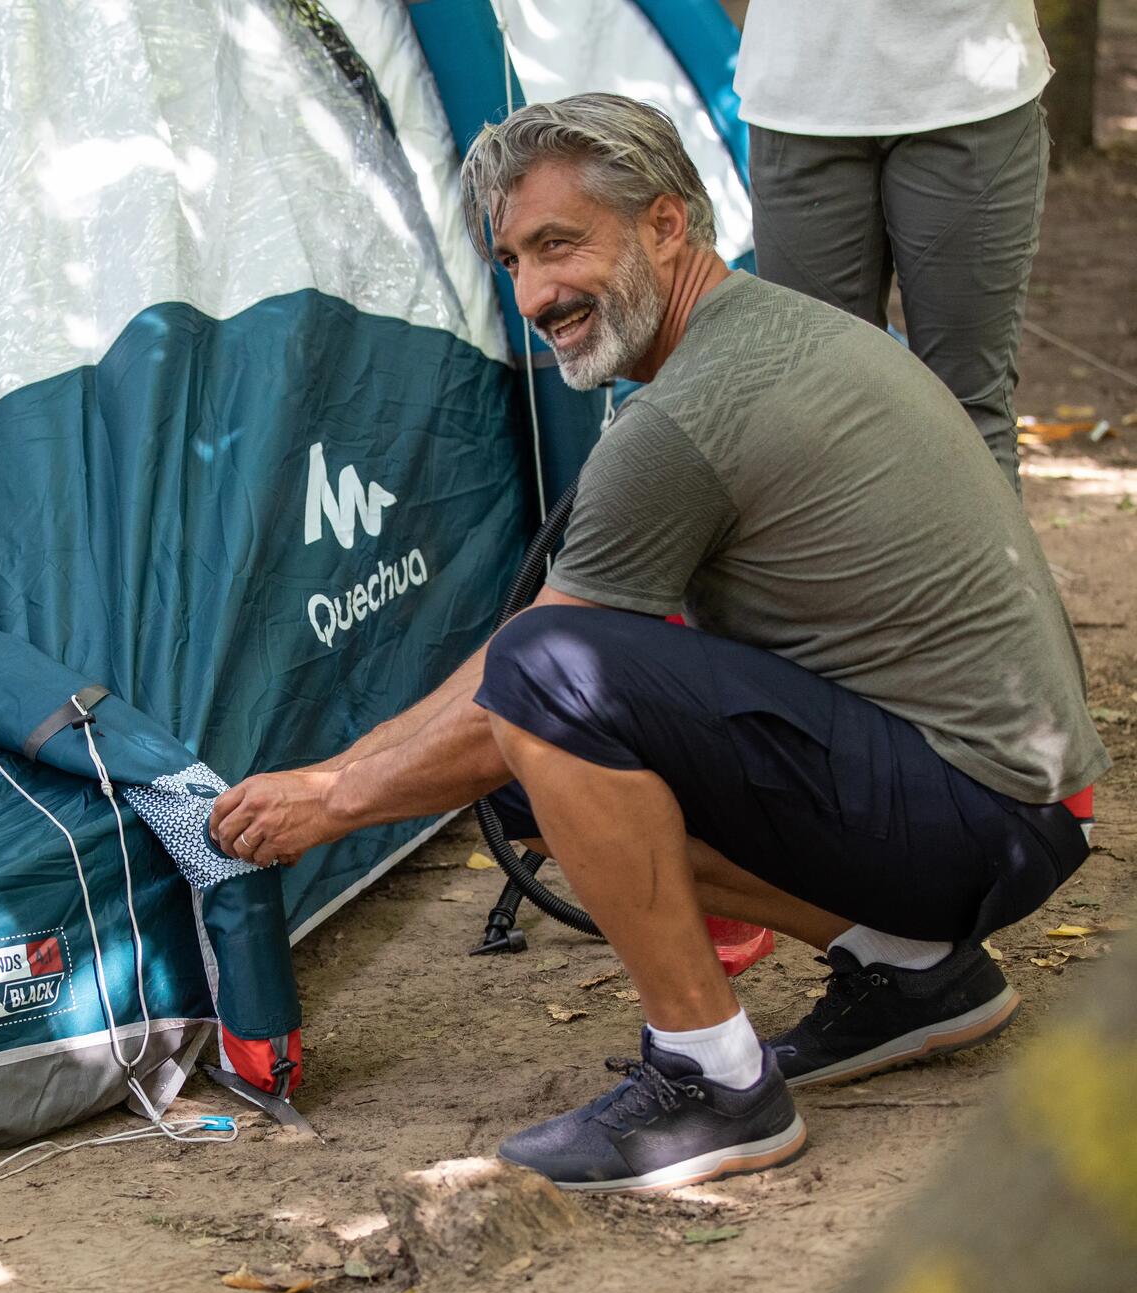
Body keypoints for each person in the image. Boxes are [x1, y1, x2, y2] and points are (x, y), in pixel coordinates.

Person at [208, 94, 1104, 1194]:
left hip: (982, 816)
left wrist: (332, 799)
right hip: (1020, 804)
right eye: (512, 260)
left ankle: (712, 1083)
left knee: (547, 686)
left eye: (559, 245)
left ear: (668, 225)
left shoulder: (685, 419)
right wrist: (344, 778)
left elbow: (538, 668)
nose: (535, 294)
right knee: (545, 767)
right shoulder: (765, 330)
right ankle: (916, 971)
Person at [735, 0, 1052, 493]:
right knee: (813, 412)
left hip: (973, 93)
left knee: (967, 409)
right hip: (800, 91)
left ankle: (984, 573)